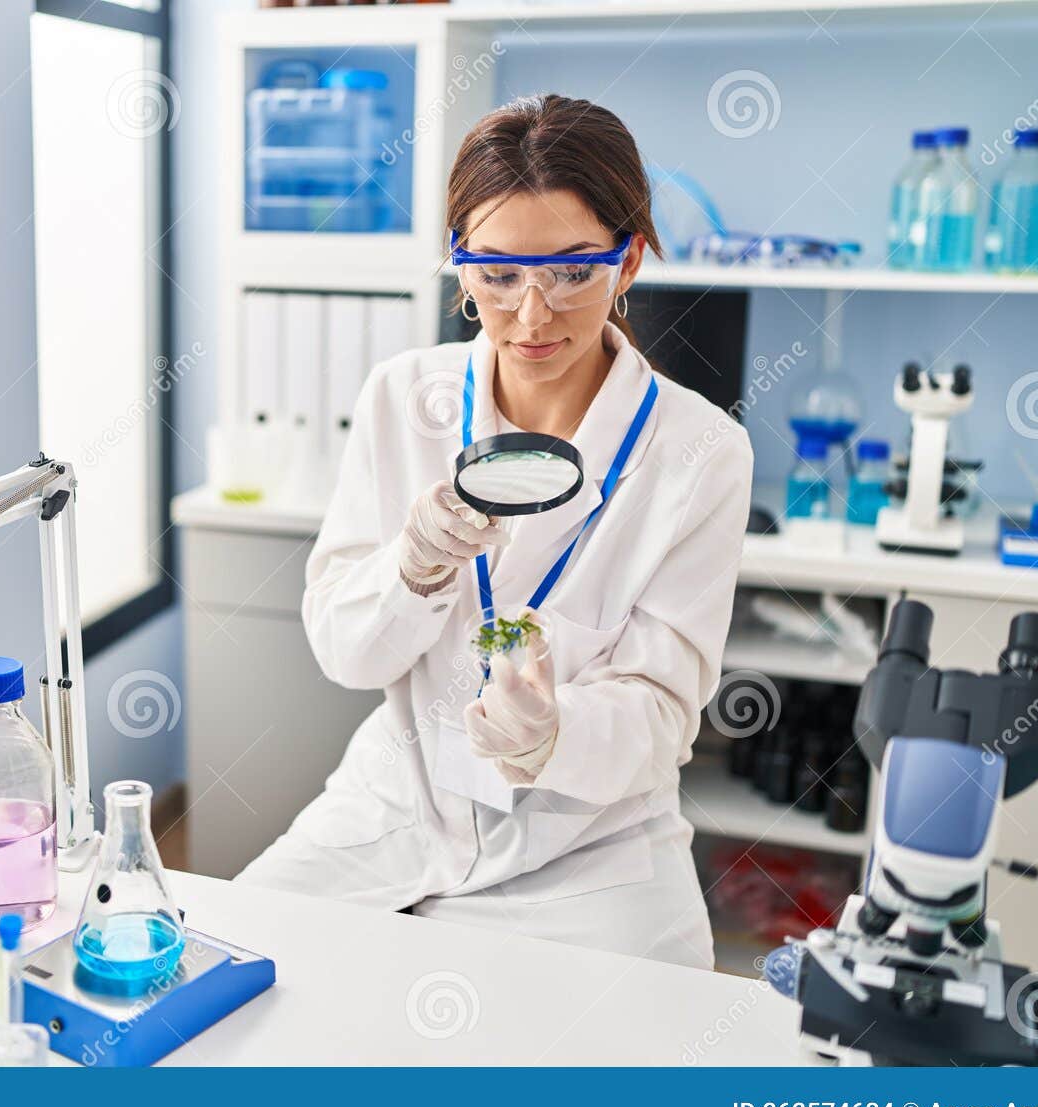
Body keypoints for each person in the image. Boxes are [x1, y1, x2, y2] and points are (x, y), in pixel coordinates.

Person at [236, 95, 753, 970]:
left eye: (573, 271)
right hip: (396, 807)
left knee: (654, 1039)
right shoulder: (404, 398)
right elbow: (347, 654)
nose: (533, 314)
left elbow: (662, 711)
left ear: (628, 259)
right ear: (459, 262)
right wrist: (410, 571)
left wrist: (556, 733)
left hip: (588, 845)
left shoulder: (701, 451)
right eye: (499, 274)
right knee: (232, 965)